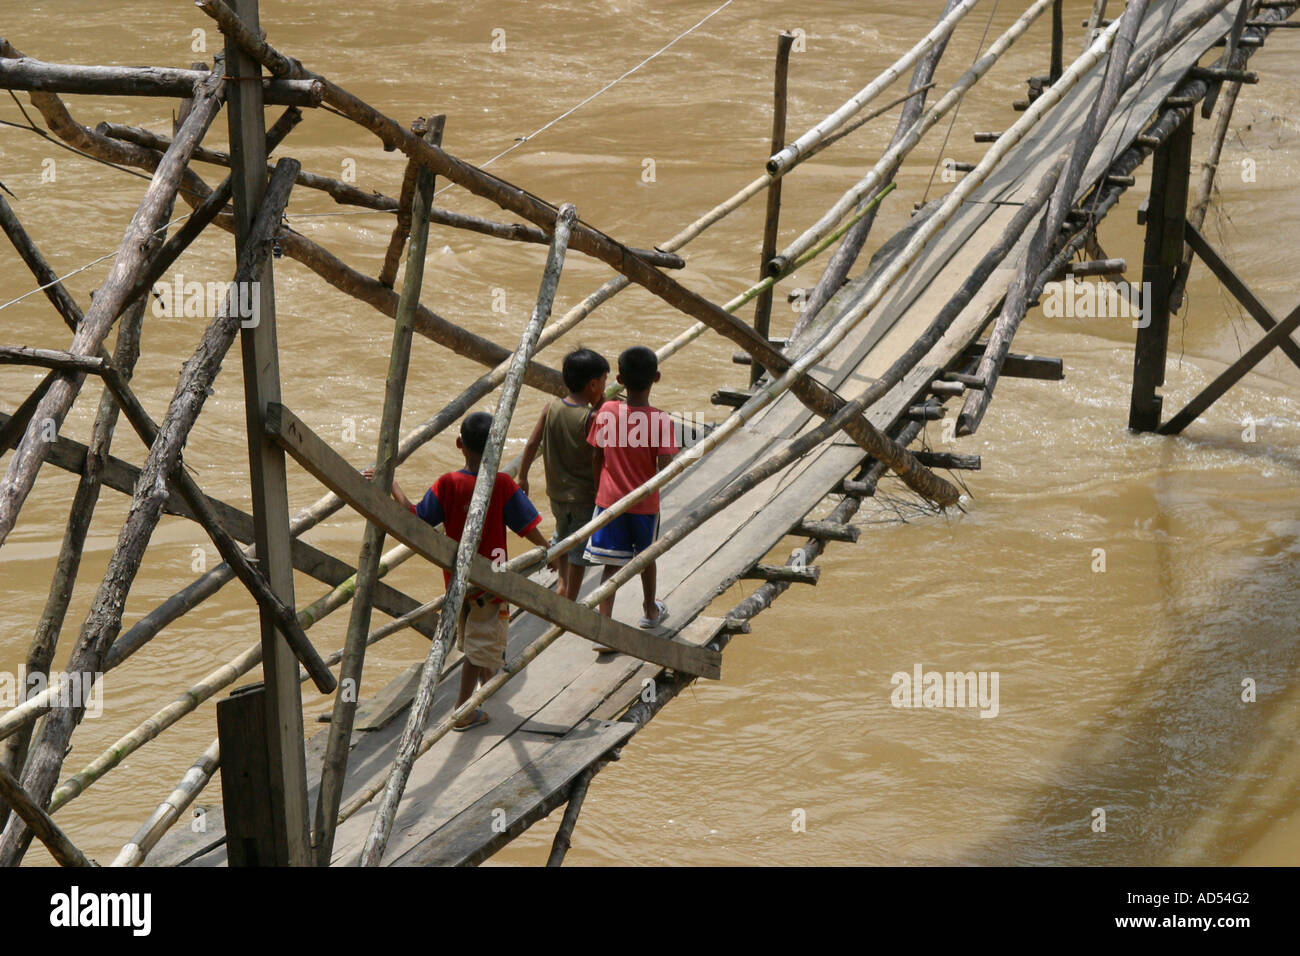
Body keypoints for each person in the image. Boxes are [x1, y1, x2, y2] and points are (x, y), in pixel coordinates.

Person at [366, 411, 551, 731]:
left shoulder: (447, 484)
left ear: (459, 444)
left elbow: (417, 519)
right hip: (492, 581)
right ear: (497, 446)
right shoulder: (502, 483)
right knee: (481, 646)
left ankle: (488, 683)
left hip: (458, 579)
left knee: (474, 635)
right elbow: (528, 526)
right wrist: (550, 551)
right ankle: (464, 709)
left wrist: (394, 486)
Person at [584, 345, 678, 644]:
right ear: (657, 378)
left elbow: (596, 454)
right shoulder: (660, 421)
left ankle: (603, 624)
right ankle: (650, 610)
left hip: (610, 500)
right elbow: (666, 467)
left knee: (611, 563)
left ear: (620, 379)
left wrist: (601, 487)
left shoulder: (608, 410)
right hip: (644, 504)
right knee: (646, 559)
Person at [518, 348, 610, 601]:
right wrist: (601, 490)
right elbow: (596, 458)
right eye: (603, 381)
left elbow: (532, 444)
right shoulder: (591, 418)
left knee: (563, 531)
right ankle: (568, 596)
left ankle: (561, 581)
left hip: (556, 493)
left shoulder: (551, 407)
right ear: (593, 384)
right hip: (583, 495)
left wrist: (523, 476)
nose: (605, 385)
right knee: (579, 547)